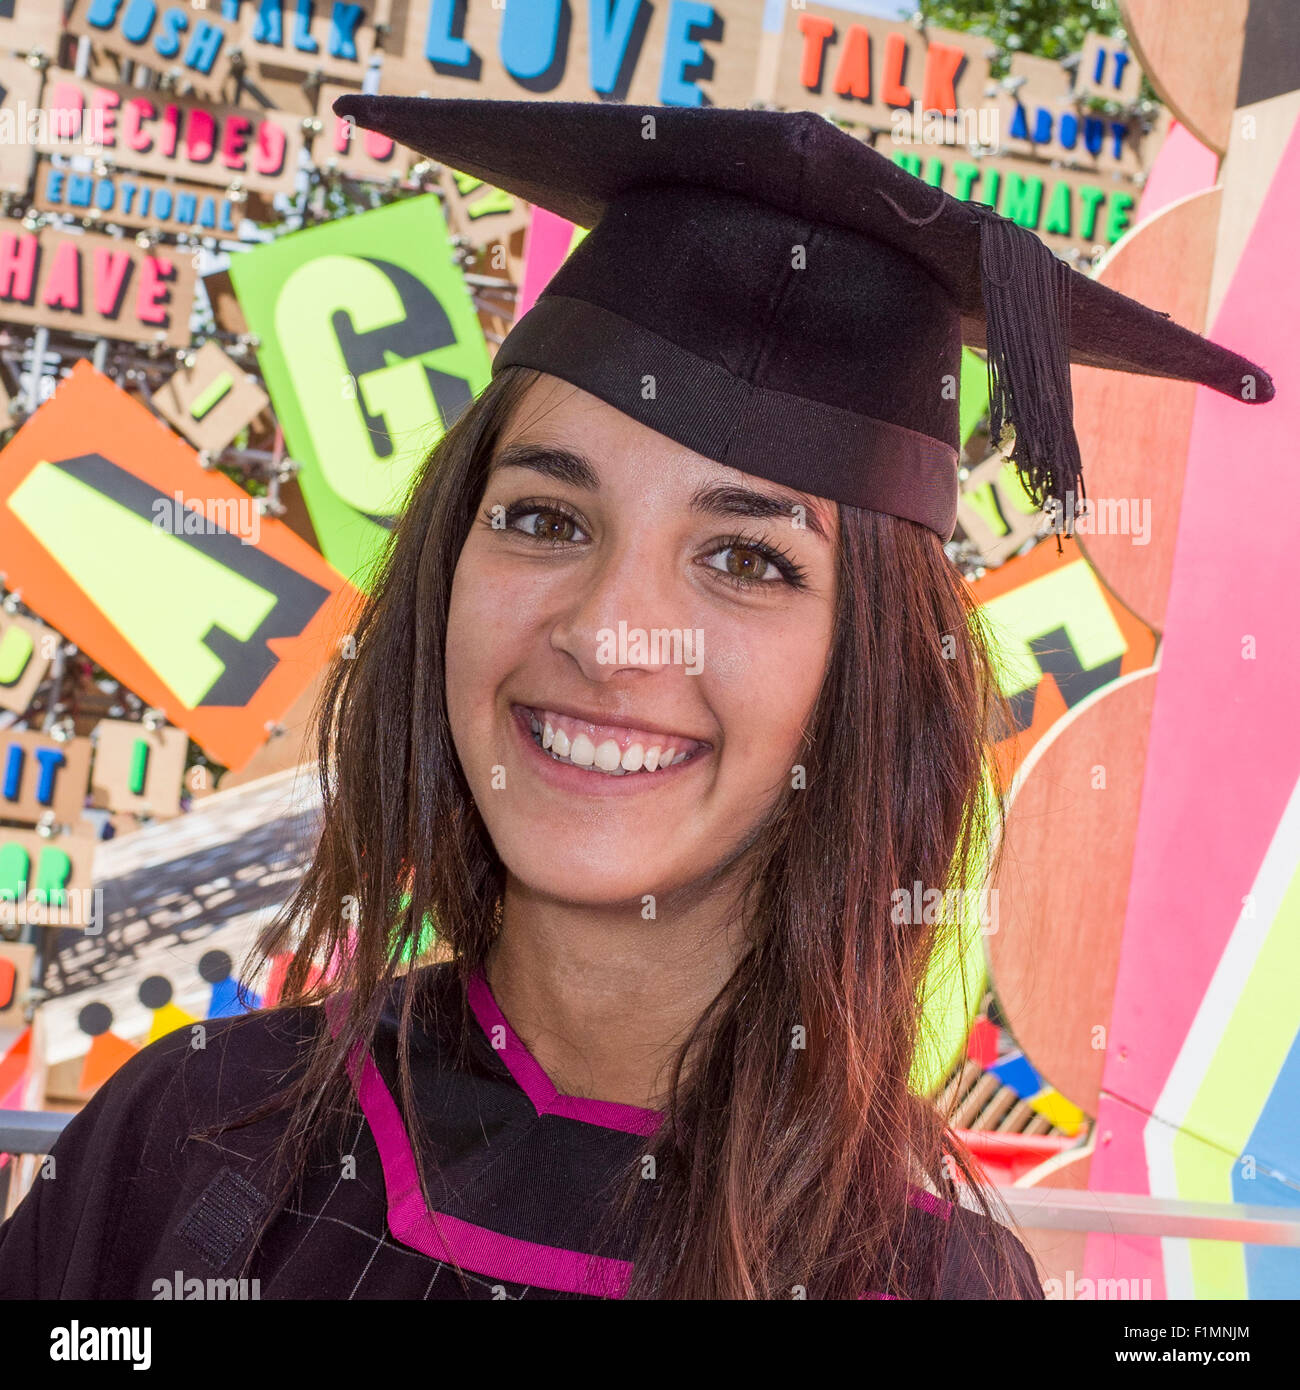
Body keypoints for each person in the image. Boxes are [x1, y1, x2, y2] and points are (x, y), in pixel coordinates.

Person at [0, 98, 1272, 1301]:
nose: (611, 636)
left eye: (747, 559)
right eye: (546, 518)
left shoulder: (926, 1281)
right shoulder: (188, 1141)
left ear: (868, 681)